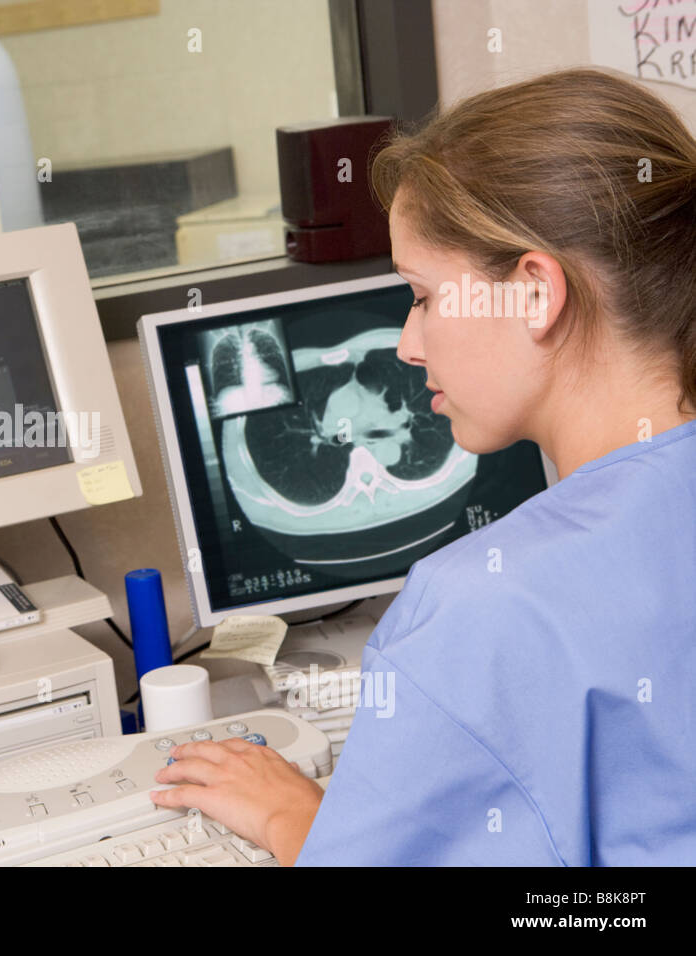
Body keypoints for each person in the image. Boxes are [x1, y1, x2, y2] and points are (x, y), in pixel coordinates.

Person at [150, 68, 696, 865]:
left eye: (423, 295)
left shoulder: (484, 610)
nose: (409, 343)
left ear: (534, 294)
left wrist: (296, 821)